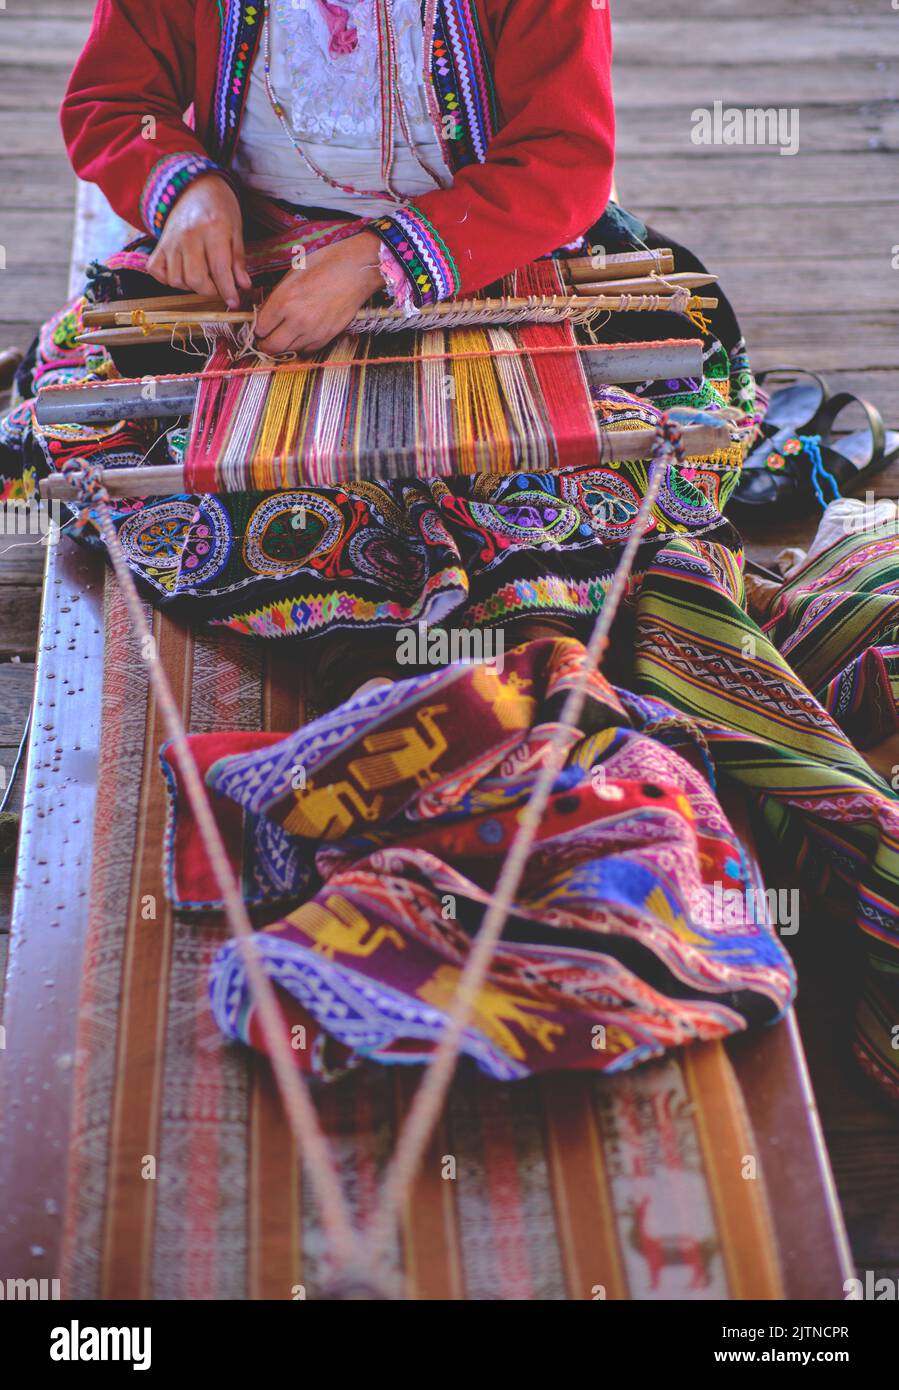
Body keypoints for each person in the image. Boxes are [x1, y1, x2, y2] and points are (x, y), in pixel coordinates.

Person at [0, 0, 757, 671]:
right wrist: (188, 188)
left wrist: (379, 258)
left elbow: (563, 155)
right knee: (172, 447)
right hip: (259, 259)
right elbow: (115, 100)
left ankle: (518, 640)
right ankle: (368, 660)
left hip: (489, 246)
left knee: (580, 455)